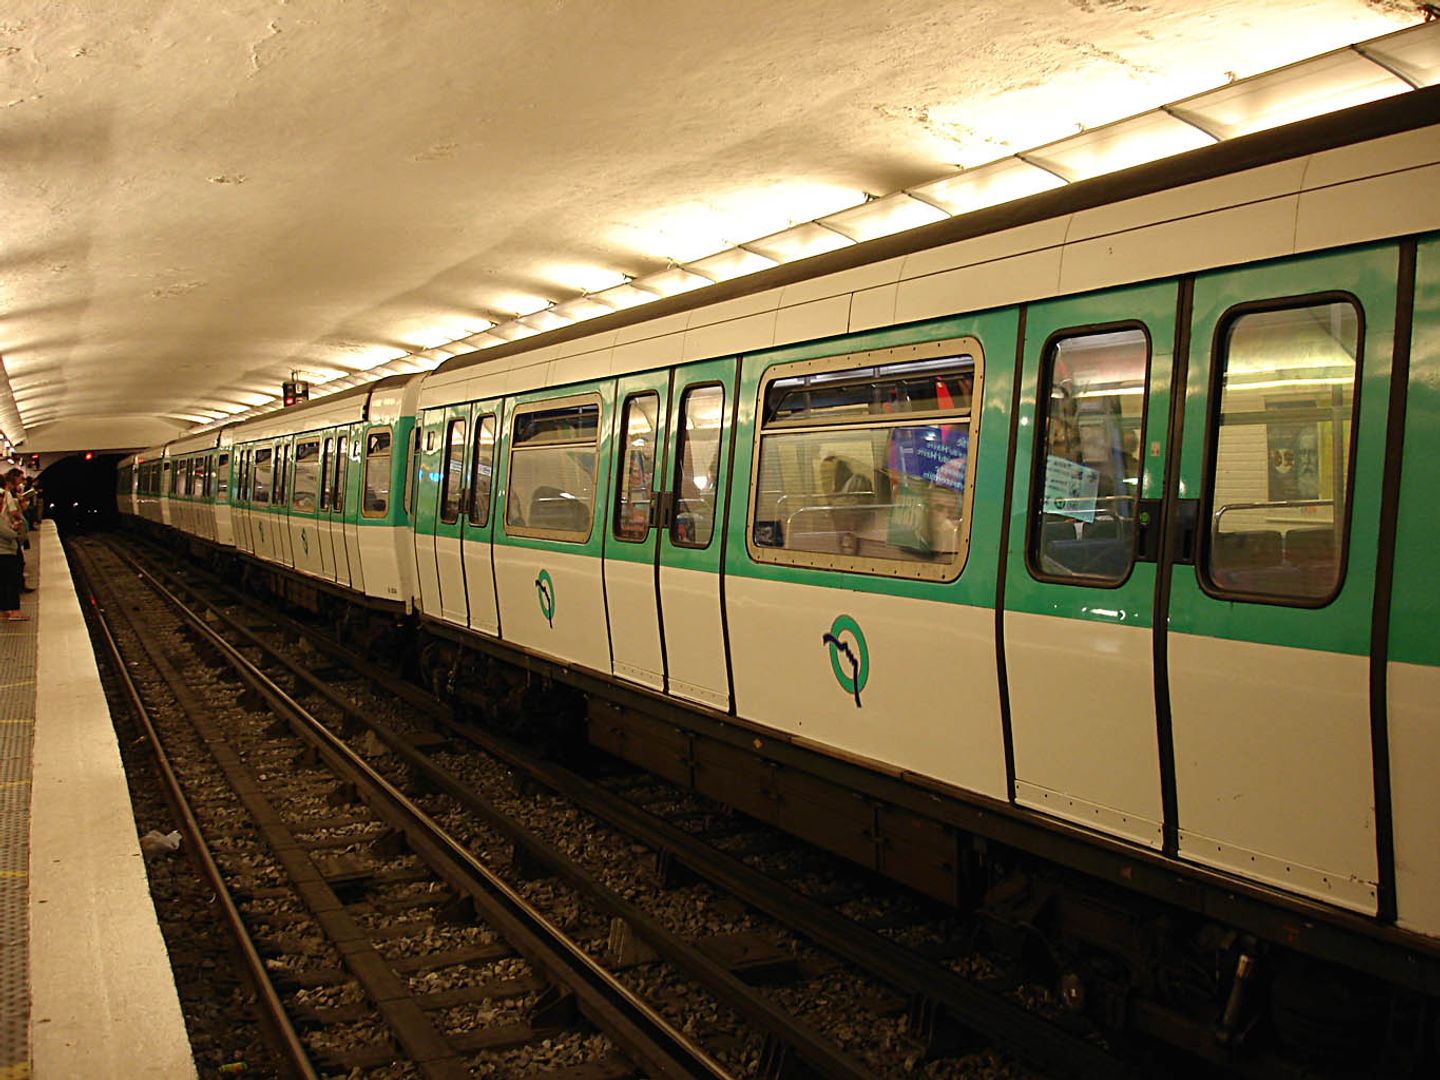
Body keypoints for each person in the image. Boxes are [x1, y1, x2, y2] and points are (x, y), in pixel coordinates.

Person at [0, 492, 24, 620]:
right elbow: (7, 534)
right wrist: (15, 531)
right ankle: (15, 612)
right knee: (11, 583)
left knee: (2, 584)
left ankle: (3, 611)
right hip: (6, 553)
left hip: (3, 553)